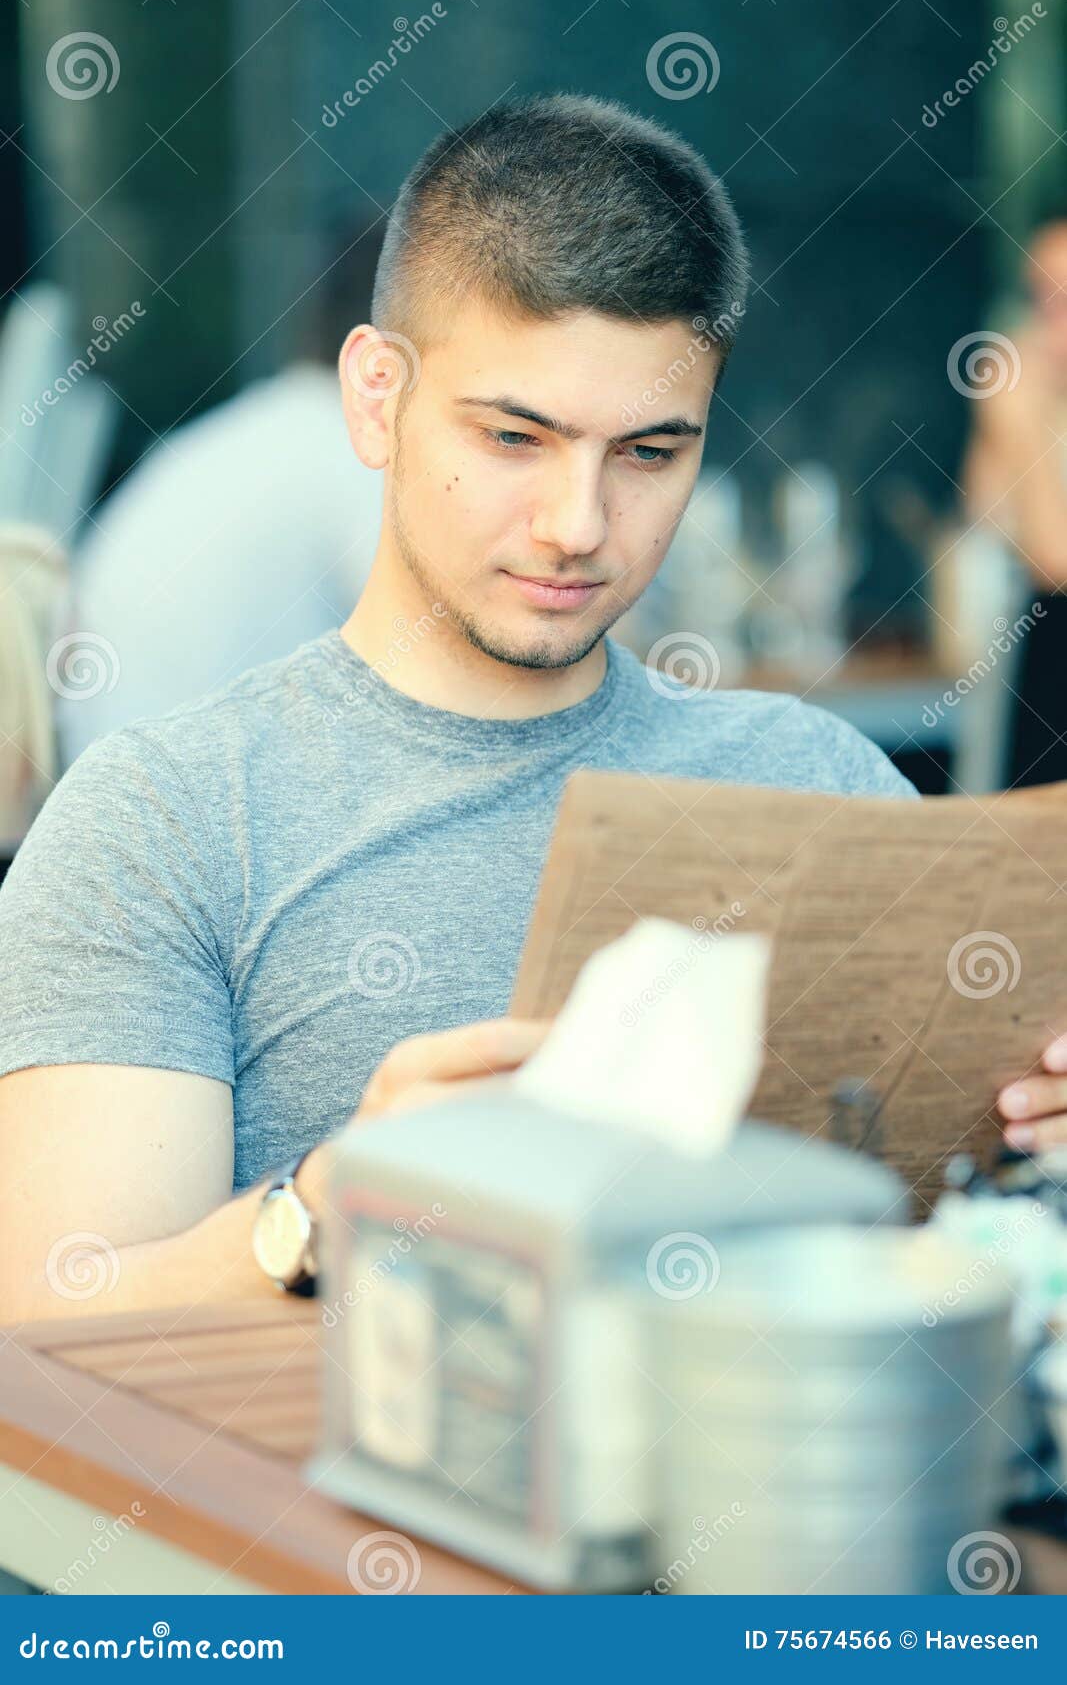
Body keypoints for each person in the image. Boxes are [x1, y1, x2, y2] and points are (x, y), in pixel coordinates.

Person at [0, 94, 1061, 1325]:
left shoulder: (815, 782)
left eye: (649, 454)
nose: (578, 524)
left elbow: (951, 1280)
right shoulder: (166, 817)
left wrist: (1030, 1159)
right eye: (516, 437)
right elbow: (46, 1321)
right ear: (374, 397)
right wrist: (328, 1204)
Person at [55, 221, 386, 766]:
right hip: (194, 809)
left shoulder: (247, 432)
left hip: (117, 780)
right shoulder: (348, 448)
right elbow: (443, 652)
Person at [963, 205, 1067, 786]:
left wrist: (1016, 417)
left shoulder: (1025, 406)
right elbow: (981, 521)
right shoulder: (1038, 396)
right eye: (1042, 300)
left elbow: (1055, 562)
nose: (1052, 326)